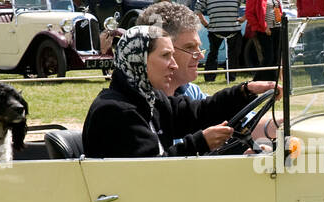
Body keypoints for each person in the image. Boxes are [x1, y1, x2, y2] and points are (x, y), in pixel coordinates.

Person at [82, 24, 275, 158]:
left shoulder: (149, 98)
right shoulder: (116, 110)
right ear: (139, 60)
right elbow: (149, 170)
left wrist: (243, 91)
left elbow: (198, 113)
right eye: (166, 56)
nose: (173, 65)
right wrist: (201, 143)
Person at [195, 0, 246, 80]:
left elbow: (197, 9)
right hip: (233, 28)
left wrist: (205, 24)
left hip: (214, 29)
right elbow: (251, 4)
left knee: (213, 53)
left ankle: (210, 76)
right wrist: (243, 18)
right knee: (233, 54)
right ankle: (231, 76)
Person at [244, 0, 283, 80]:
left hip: (278, 27)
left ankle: (273, 82)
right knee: (268, 57)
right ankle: (256, 81)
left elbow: (277, 9)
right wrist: (263, 28)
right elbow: (249, 14)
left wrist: (280, 20)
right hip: (265, 30)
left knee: (277, 57)